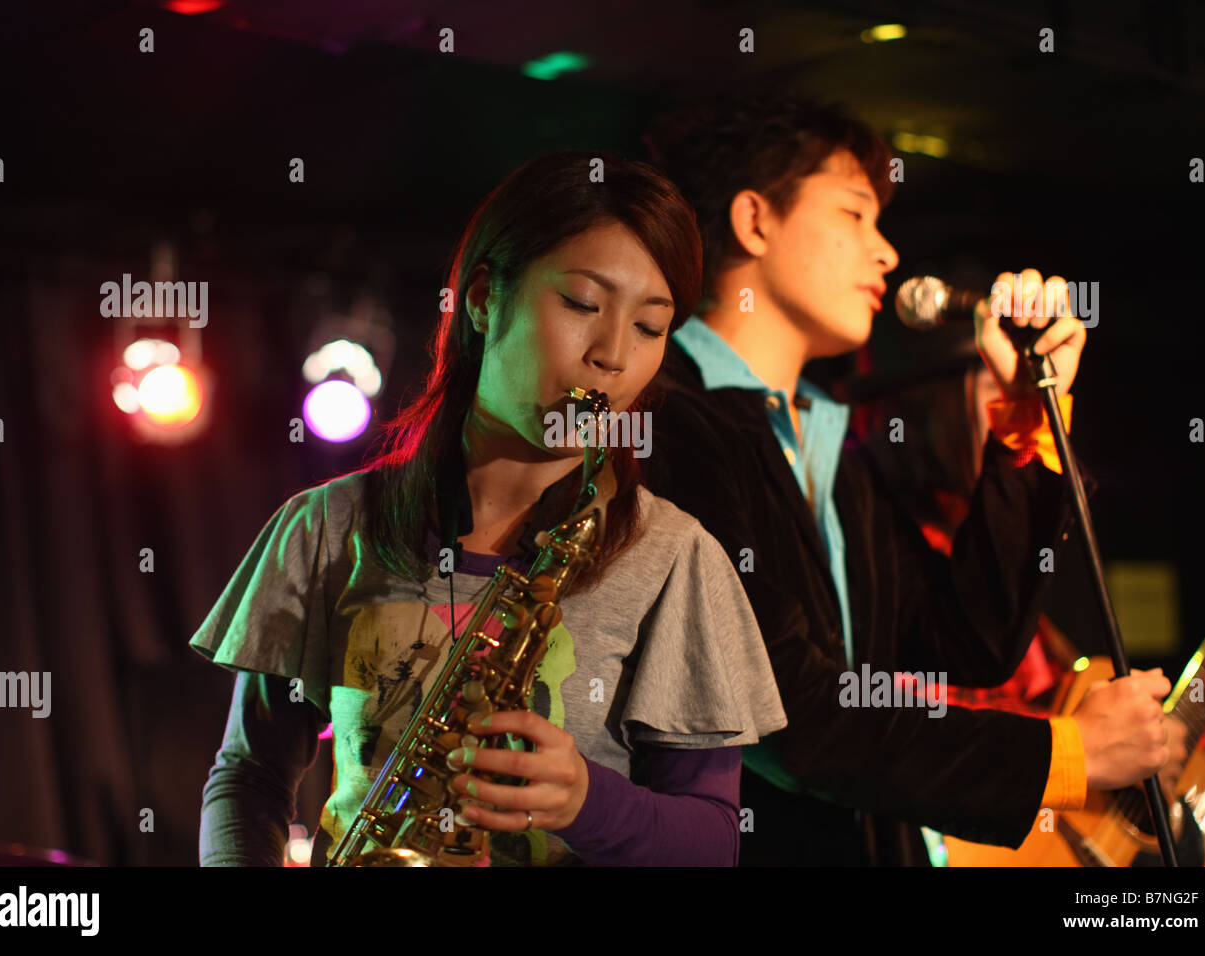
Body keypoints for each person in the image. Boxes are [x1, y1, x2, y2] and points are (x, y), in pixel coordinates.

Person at [189, 150, 787, 867]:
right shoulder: (325, 527)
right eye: (582, 304)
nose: (613, 356)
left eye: (650, 327)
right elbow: (248, 778)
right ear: (481, 297)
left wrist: (585, 803)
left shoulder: (676, 557)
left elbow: (714, 842)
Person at [640, 94, 1172, 865]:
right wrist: (1067, 754)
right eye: (856, 215)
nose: (886, 253)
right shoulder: (670, 421)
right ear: (755, 221)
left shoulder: (834, 439)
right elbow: (785, 713)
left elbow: (963, 645)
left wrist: (1026, 430)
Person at [853, 327, 1205, 864]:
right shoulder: (901, 555)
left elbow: (1098, 792)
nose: (1030, 415)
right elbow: (918, 739)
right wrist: (1081, 749)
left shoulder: (1023, 559)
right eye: (1000, 392)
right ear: (938, 406)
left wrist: (1194, 744)